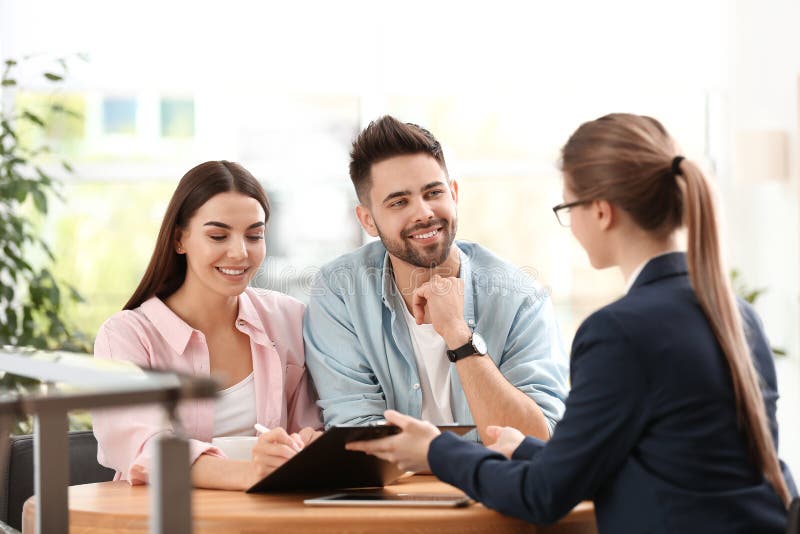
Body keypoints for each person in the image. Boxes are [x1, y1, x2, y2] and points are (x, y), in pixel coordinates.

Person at [348, 114, 798, 532]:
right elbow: (663, 463)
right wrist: (526, 450)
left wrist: (436, 450)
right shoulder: (738, 313)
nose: (572, 225)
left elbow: (544, 495)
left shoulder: (619, 331)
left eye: (567, 208)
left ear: (601, 212)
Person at [304, 116, 568, 443]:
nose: (424, 212)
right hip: (389, 492)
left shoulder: (520, 297)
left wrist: (459, 335)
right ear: (368, 220)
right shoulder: (340, 291)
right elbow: (356, 434)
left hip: (497, 490)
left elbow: (536, 440)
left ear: (453, 194)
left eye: (433, 193)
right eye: (399, 201)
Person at [92, 161, 321, 490]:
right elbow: (145, 447)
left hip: (272, 516)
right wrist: (252, 474)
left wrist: (307, 445)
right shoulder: (125, 336)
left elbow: (309, 428)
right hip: (167, 519)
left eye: (254, 235)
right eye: (218, 235)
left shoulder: (288, 318)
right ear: (179, 240)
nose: (240, 252)